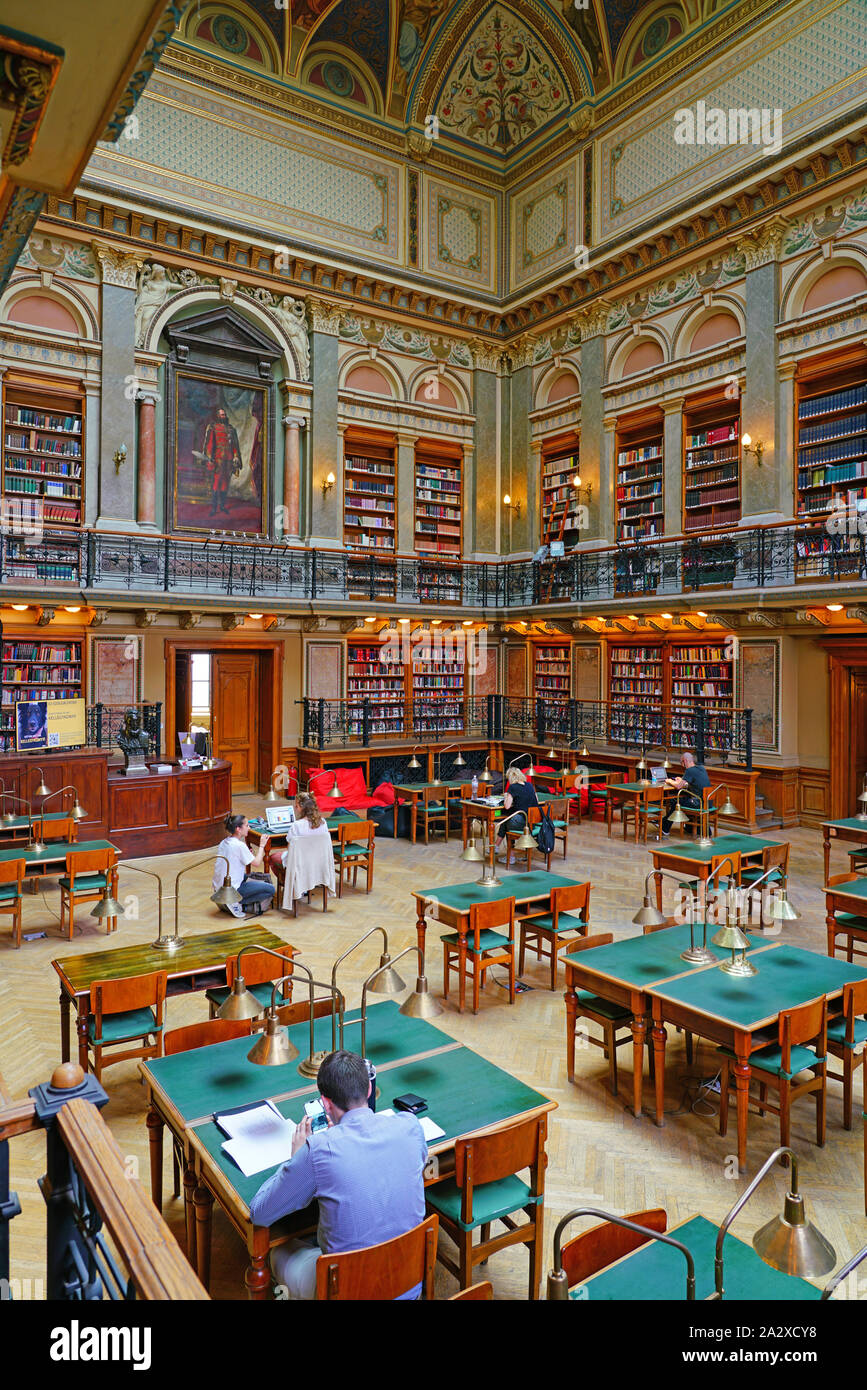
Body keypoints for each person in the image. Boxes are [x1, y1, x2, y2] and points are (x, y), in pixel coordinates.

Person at [249, 1050, 428, 1300]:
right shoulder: (410, 1125)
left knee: (276, 1253)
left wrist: (296, 1157)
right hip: (408, 1282)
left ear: (326, 1103)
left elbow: (260, 1213)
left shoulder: (319, 1151)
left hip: (347, 1290)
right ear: (368, 1090)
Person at [213, 812, 275, 917]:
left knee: (248, 876)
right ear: (238, 829)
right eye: (246, 826)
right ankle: (240, 905)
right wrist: (261, 846)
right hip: (232, 890)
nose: (249, 828)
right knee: (270, 889)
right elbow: (257, 863)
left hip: (218, 889)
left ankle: (226, 903)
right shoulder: (239, 845)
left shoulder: (224, 842)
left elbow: (235, 860)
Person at [268, 793, 330, 875]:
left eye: (296, 806)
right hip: (318, 860)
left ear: (302, 808)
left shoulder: (297, 825)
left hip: (300, 862)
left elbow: (290, 848)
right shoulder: (323, 822)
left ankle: (288, 881)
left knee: (273, 857)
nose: (295, 808)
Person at [495, 765, 539, 859]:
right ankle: (497, 847)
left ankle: (510, 856)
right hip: (533, 822)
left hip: (523, 823)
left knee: (506, 822)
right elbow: (536, 799)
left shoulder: (513, 787)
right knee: (507, 820)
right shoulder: (529, 785)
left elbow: (507, 806)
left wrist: (507, 796)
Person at [661, 751, 710, 836]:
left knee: (676, 802)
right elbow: (694, 784)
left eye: (681, 763)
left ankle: (665, 827)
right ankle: (691, 828)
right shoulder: (701, 768)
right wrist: (683, 781)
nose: (682, 765)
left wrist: (669, 781)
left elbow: (678, 787)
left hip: (698, 803)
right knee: (684, 800)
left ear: (685, 761)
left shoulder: (689, 770)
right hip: (708, 802)